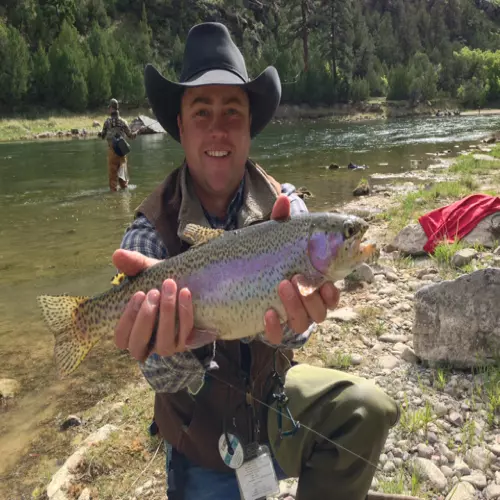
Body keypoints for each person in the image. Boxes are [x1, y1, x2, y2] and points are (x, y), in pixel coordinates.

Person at [111, 22, 417, 500]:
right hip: (201, 435)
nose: (218, 128)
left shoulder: (288, 209)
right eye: (202, 111)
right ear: (181, 127)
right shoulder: (149, 231)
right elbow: (158, 375)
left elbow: (299, 334)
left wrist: (295, 324)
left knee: (366, 409)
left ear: (250, 125)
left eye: (232, 112)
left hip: (273, 405)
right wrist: (177, 346)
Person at [99, 98, 139, 191]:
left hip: (112, 151)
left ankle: (113, 198)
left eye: (109, 107)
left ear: (111, 108)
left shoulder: (107, 122)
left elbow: (102, 136)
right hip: (122, 152)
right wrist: (136, 132)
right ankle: (124, 202)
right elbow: (131, 136)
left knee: (113, 181)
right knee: (123, 181)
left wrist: (100, 134)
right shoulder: (123, 122)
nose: (108, 109)